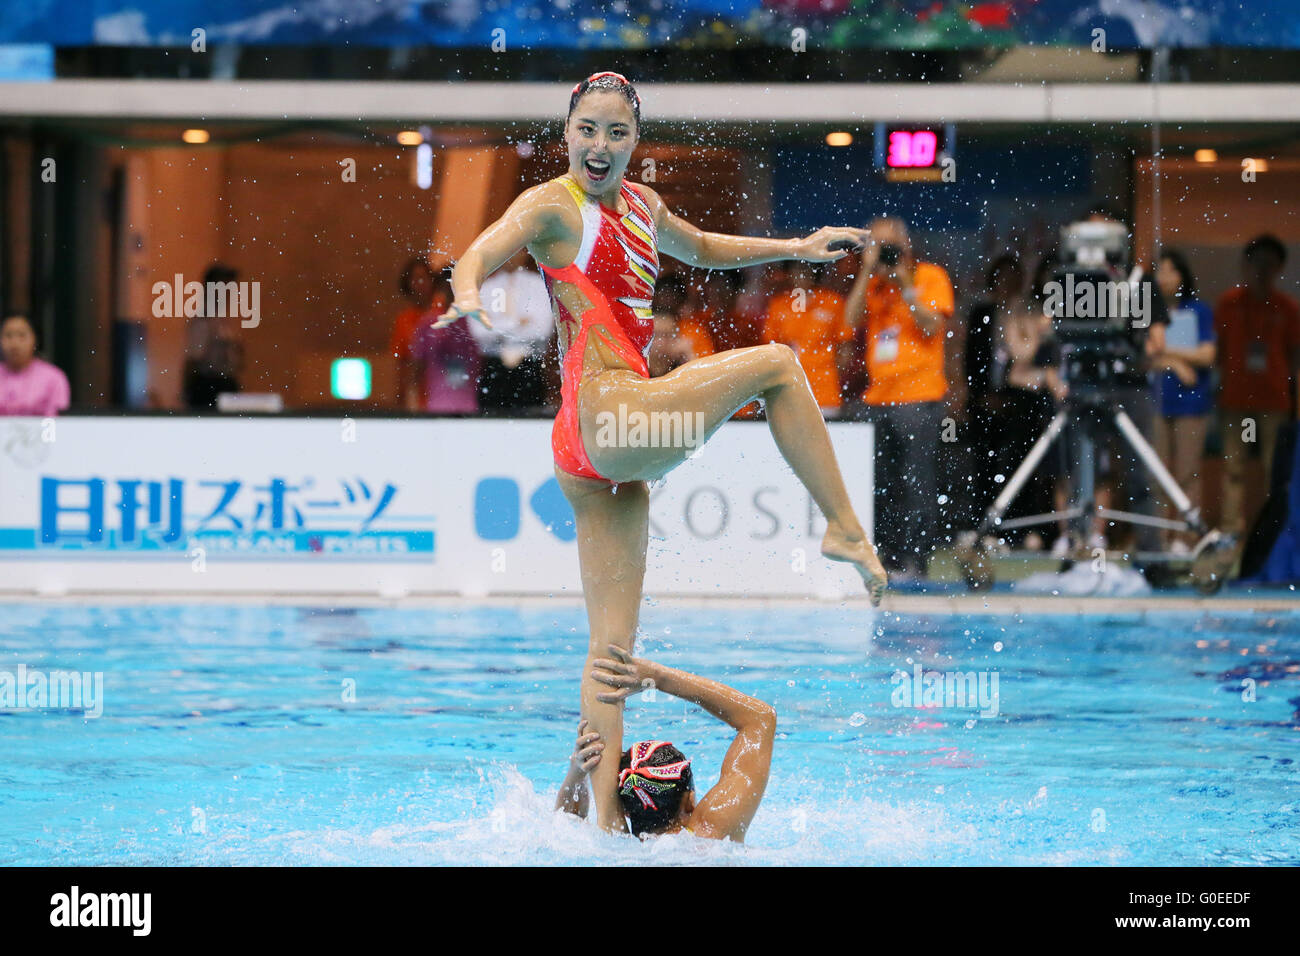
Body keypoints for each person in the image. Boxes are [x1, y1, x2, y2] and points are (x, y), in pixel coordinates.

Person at [437, 70, 886, 832]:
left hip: (593, 457)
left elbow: (704, 247)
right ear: (567, 132)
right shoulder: (554, 205)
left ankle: (599, 825)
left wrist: (797, 246)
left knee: (611, 649)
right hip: (609, 416)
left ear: (635, 142)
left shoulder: (645, 206)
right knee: (778, 364)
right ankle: (843, 526)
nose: (599, 145)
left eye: (617, 132)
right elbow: (486, 245)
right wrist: (470, 287)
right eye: (587, 130)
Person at [555, 645, 774, 841]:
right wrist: (659, 678)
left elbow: (565, 825)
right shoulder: (712, 835)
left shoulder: (613, 844)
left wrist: (577, 773)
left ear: (627, 811)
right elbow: (760, 718)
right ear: (689, 801)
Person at [844, 216, 955, 578]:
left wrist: (905, 282)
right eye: (876, 244)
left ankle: (917, 560)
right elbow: (850, 320)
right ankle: (887, 557)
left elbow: (930, 325)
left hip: (919, 396)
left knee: (916, 481)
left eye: (889, 245)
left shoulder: (929, 276)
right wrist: (866, 271)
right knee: (879, 481)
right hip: (878, 399)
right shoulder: (874, 285)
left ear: (907, 245)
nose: (885, 252)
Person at [1214, 233, 1300, 540]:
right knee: (1232, 469)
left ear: (1279, 268)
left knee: (1272, 471)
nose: (1262, 270)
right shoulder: (1229, 303)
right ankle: (1230, 533)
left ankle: (1272, 535)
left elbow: (1293, 357)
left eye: (1270, 264)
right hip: (1235, 399)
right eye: (1257, 262)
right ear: (1245, 265)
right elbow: (1218, 351)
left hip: (1273, 401)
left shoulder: (1287, 308)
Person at [1150, 248, 1216, 551]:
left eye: (1171, 270)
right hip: (1156, 402)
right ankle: (1159, 536)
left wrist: (1166, 353)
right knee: (1157, 472)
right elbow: (1144, 356)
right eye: (1160, 271)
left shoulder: (1198, 310)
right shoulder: (1146, 312)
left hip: (1191, 403)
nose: (1165, 278)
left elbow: (1207, 354)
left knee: (1188, 472)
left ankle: (1187, 537)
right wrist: (1175, 362)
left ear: (1183, 276)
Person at [760, 260, 854, 413]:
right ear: (790, 273)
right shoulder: (778, 305)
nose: (803, 273)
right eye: (798, 268)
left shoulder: (833, 302)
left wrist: (828, 373)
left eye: (807, 268)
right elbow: (770, 352)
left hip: (825, 392)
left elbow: (845, 348)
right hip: (788, 391)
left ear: (816, 271)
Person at [472, 247, 555, 410]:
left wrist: (497, 325)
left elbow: (543, 330)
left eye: (516, 249)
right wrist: (518, 323)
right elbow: (479, 332)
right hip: (494, 369)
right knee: (489, 426)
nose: (509, 255)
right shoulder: (486, 288)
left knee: (529, 427)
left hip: (529, 368)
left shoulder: (539, 285)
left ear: (525, 252)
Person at [182, 263, 245, 410]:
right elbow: (193, 359)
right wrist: (186, 392)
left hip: (227, 383)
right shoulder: (203, 319)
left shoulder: (227, 319)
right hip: (208, 386)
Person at [391, 257, 446, 411]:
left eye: (422, 278)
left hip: (444, 387)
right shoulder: (404, 320)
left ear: (432, 281)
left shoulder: (444, 312)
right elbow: (402, 363)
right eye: (414, 279)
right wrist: (401, 395)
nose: (419, 283)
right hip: (417, 391)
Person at [0, 314, 70, 416]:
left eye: (22, 335)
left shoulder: (53, 378)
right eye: (8, 335)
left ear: (35, 339)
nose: (14, 344)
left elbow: (57, 421)